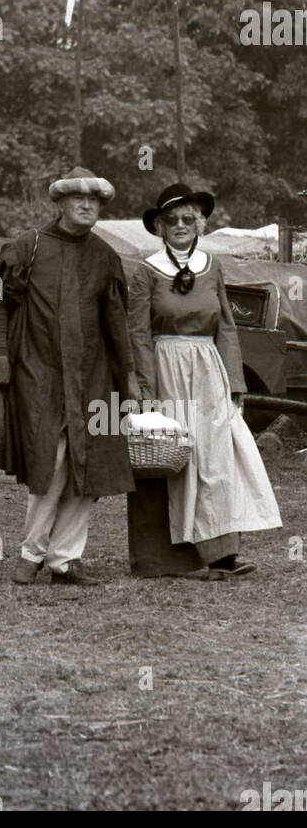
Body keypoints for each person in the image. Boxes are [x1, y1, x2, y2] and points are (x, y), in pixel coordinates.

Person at [0, 167, 137, 586]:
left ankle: (65, 560)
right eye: (78, 199)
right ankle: (31, 552)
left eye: (95, 201)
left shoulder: (105, 257)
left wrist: (129, 380)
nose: (88, 206)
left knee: (89, 467)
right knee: (47, 463)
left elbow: (117, 324)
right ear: (60, 204)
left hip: (93, 376)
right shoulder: (25, 247)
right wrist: (0, 354)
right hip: (40, 373)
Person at [127, 183, 282, 580]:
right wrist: (145, 390)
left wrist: (234, 382)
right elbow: (139, 334)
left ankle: (223, 553)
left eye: (188, 219)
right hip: (165, 367)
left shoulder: (213, 266)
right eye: (171, 220)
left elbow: (226, 328)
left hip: (208, 369)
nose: (180, 225)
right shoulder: (146, 271)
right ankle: (171, 556)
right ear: (159, 227)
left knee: (217, 459)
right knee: (175, 459)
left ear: (201, 224)